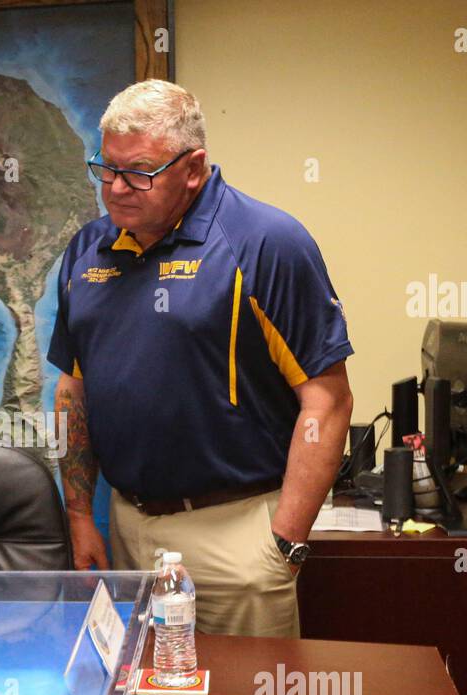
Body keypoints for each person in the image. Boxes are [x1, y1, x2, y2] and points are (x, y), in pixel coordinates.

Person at [47, 80, 354, 637]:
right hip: (127, 526)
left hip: (234, 533)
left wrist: (284, 542)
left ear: (193, 168)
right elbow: (74, 390)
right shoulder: (87, 250)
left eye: (139, 171)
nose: (116, 188)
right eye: (105, 169)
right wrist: (78, 517)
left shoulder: (265, 242)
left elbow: (327, 398)